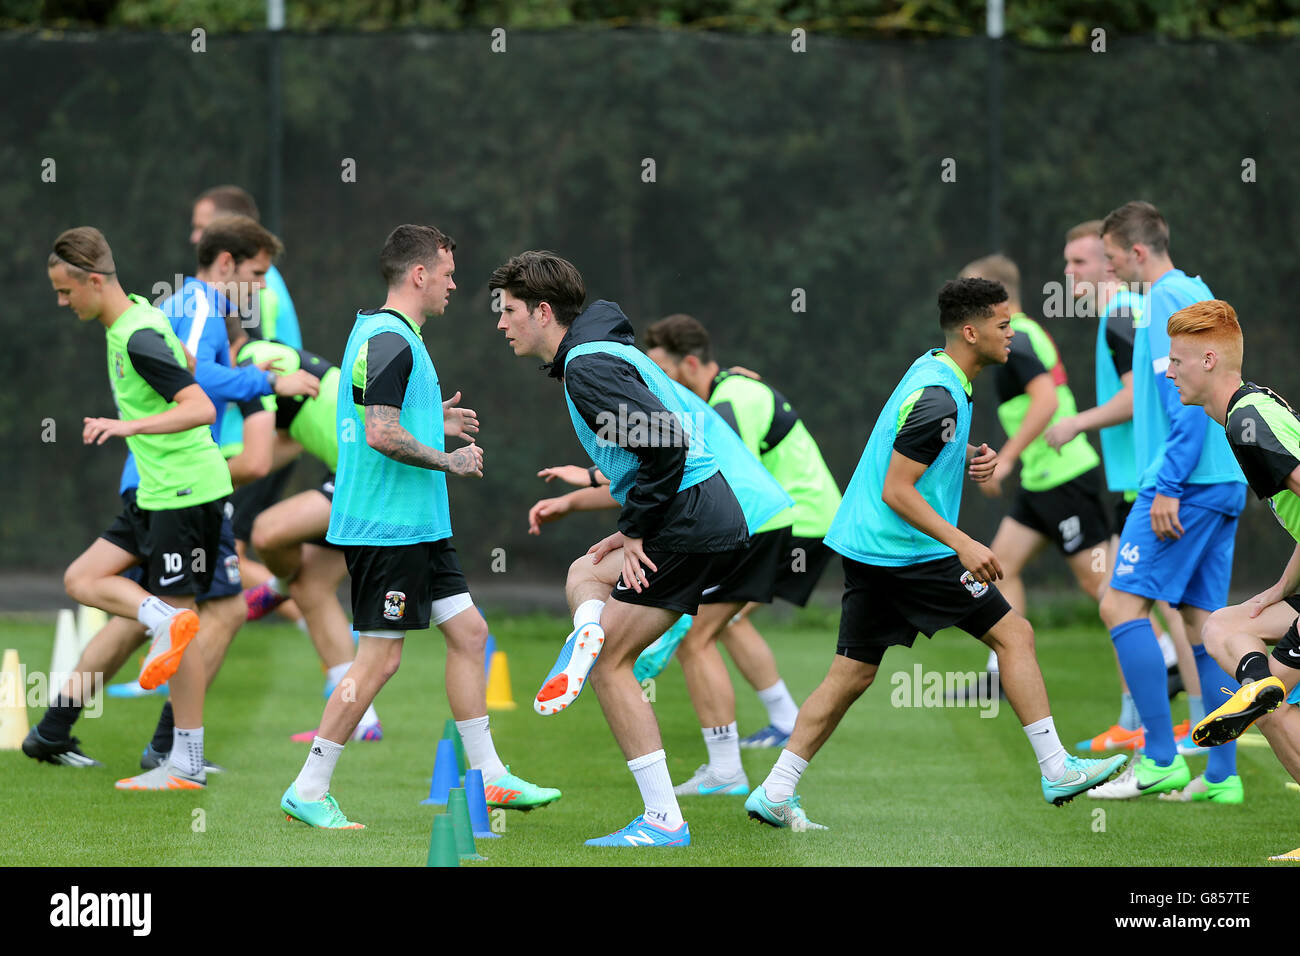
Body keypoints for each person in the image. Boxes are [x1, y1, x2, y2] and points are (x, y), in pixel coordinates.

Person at [745, 278, 1127, 829]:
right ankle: (1056, 767)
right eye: (1002, 325)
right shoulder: (940, 396)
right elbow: (897, 489)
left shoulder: (938, 371)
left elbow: (915, 447)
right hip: (908, 552)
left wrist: (963, 452)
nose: (1012, 335)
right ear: (971, 332)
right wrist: (965, 542)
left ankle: (777, 790)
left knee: (850, 675)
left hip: (871, 549)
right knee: (1014, 634)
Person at [280, 225, 558, 829]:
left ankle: (490, 776)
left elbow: (377, 415)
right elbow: (379, 432)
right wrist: (448, 457)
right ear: (419, 275)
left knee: (470, 634)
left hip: (417, 529)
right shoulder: (390, 340)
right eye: (449, 272)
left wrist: (435, 419)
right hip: (389, 530)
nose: (457, 284)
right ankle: (309, 786)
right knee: (378, 663)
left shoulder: (379, 334)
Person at [494, 250, 755, 846]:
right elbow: (649, 448)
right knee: (584, 573)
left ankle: (662, 820)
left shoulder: (588, 365)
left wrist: (637, 529)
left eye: (508, 311)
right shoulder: (598, 352)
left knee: (612, 662)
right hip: (694, 513)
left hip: (688, 516)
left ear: (541, 311)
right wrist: (632, 520)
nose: (501, 323)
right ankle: (584, 632)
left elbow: (663, 444)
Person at [32, 227, 231, 790]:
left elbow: (199, 407)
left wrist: (130, 425)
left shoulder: (137, 333)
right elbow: (184, 361)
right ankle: (164, 622)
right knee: (83, 578)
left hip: (185, 492)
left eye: (66, 291)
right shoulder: (135, 317)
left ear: (94, 281)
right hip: (156, 492)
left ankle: (185, 764)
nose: (62, 301)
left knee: (177, 616)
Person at [1087, 201, 1247, 803]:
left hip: (1189, 483)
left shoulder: (1159, 300)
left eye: (1109, 258)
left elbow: (1190, 399)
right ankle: (1223, 776)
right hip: (1224, 479)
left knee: (1119, 607)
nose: (1108, 270)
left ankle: (1157, 758)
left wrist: (1168, 487)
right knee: (1202, 626)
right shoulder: (1195, 291)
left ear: (1136, 251)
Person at [642, 313, 843, 749]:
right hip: (802, 517)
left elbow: (728, 479)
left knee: (701, 631)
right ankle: (785, 720)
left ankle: (727, 764)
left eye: (663, 371)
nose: (657, 383)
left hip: (796, 522)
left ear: (691, 365)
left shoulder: (731, 400)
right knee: (725, 621)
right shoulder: (727, 390)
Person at [1045, 220, 1198, 753]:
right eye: (1068, 264)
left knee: (1144, 604)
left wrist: (1074, 423)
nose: (1071, 274)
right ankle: (1163, 720)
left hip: (1150, 481)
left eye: (1082, 262)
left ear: (1113, 263)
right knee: (1158, 606)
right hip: (1139, 479)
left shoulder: (1121, 317)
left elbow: (1141, 399)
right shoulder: (1126, 314)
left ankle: (1176, 727)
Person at [1163, 301, 1300, 850]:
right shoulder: (1244, 416)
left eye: (1177, 360)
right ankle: (1255, 685)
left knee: (1264, 690)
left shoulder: (1246, 418)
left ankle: (1257, 687)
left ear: (1209, 359)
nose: (1169, 371)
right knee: (1222, 627)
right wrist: (1277, 592)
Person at [956, 255, 1110, 700]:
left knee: (1102, 584)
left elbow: (1045, 403)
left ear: (996, 297)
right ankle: (1000, 674)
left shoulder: (1017, 338)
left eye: (972, 295)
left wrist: (1005, 459)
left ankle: (1166, 657)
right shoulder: (1021, 335)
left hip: (1066, 477)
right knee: (1000, 566)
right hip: (1043, 480)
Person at [224, 313, 385, 742]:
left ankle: (276, 585)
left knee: (265, 531)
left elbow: (258, 456)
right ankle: (361, 721)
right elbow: (287, 443)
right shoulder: (266, 356)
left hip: (367, 474)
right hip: (360, 473)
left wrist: (213, 475)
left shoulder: (255, 360)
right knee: (311, 588)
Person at [188, 186, 306, 622]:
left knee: (221, 553)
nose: (193, 238)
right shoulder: (237, 287)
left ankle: (304, 606)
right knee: (220, 553)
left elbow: (247, 358)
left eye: (201, 228)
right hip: (250, 432)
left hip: (255, 436)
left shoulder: (253, 287)